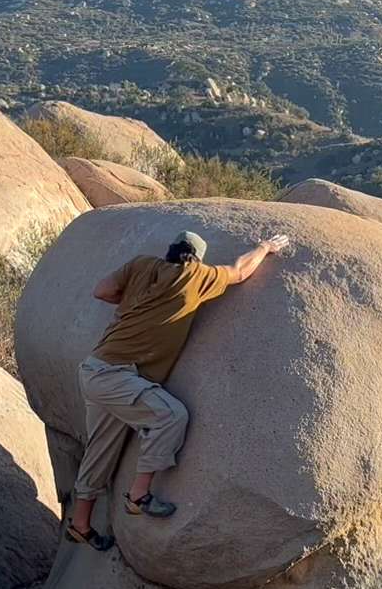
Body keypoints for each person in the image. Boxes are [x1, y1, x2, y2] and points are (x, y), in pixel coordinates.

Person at [67, 229, 291, 551]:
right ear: (196, 258)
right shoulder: (197, 275)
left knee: (99, 451)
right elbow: (241, 271)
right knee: (171, 416)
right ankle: (139, 496)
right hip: (117, 376)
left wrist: (135, 302)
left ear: (170, 251)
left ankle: (80, 525)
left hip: (96, 369)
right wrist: (265, 247)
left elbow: (102, 291)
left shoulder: (142, 265)